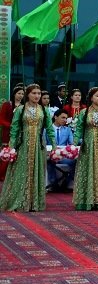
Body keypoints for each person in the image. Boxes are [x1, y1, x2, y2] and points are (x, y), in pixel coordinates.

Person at [0, 84, 55, 212]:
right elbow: (14, 129)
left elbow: (49, 128)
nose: (37, 96)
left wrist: (54, 145)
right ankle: (19, 201)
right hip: (23, 145)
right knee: (21, 172)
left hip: (38, 146)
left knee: (37, 171)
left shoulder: (44, 110)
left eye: (38, 93)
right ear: (27, 95)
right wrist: (11, 147)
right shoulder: (20, 109)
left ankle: (33, 203)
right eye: (34, 93)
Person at [47, 109, 76, 192]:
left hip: (63, 156)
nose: (65, 120)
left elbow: (71, 143)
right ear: (55, 117)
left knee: (75, 161)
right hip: (50, 154)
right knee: (49, 161)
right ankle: (53, 184)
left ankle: (66, 183)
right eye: (63, 118)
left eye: (66, 118)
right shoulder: (47, 129)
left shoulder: (68, 130)